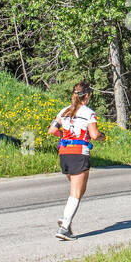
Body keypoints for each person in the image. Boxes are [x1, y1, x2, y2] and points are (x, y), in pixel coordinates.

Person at [47, 82, 102, 240]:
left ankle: (67, 219)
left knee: (78, 190)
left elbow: (52, 130)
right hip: (79, 152)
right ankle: (64, 226)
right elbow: (94, 134)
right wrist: (103, 136)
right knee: (76, 192)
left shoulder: (64, 111)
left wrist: (65, 137)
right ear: (87, 96)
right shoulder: (88, 113)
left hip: (64, 153)